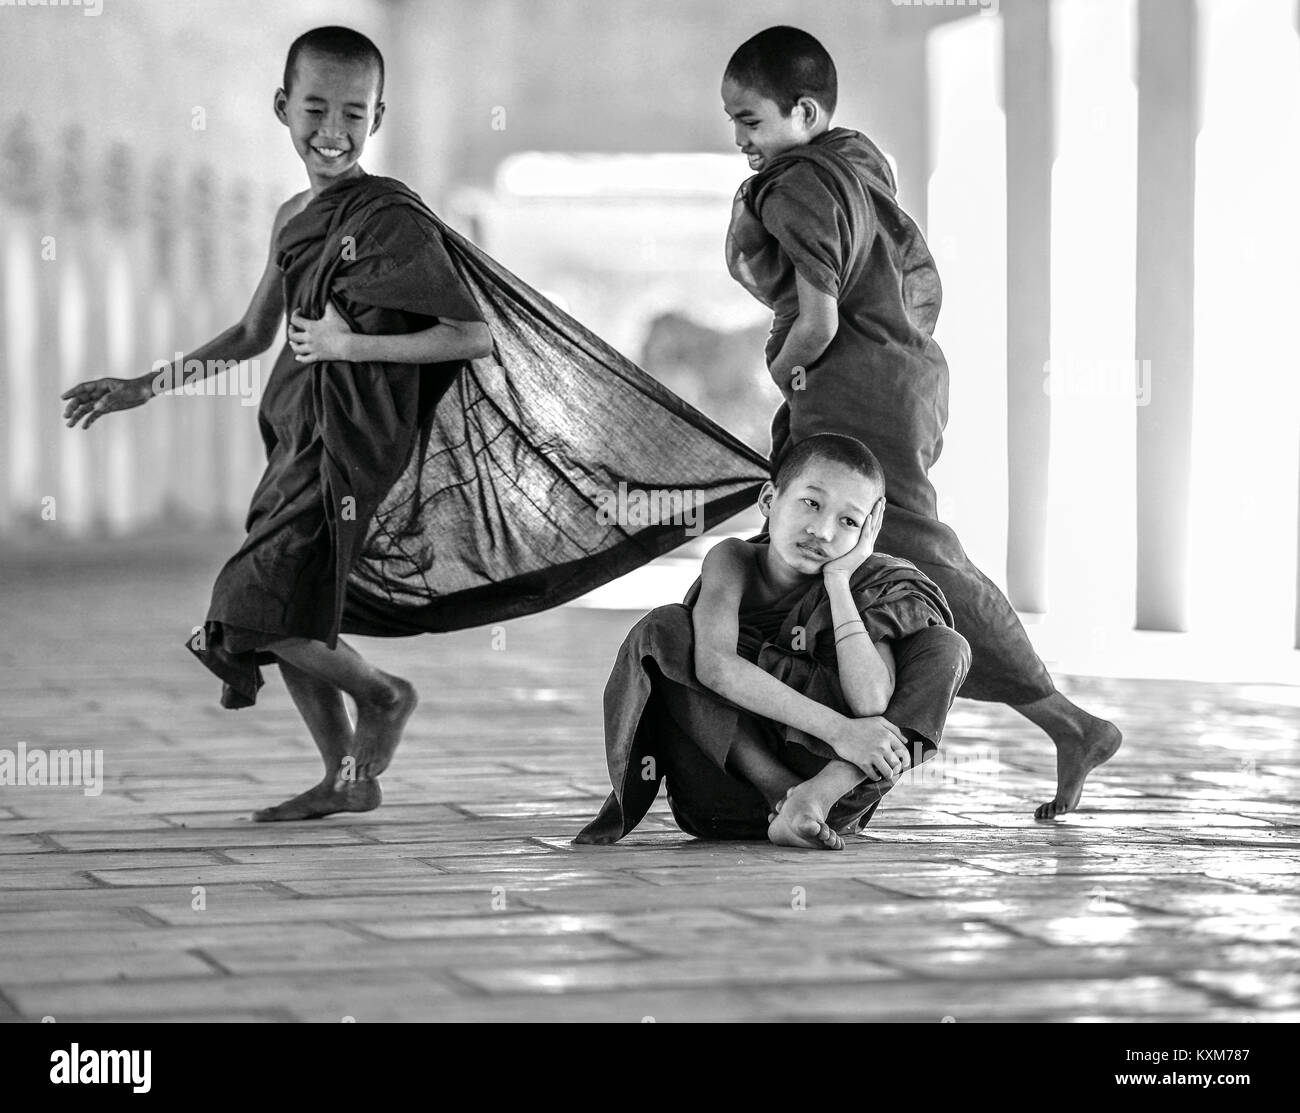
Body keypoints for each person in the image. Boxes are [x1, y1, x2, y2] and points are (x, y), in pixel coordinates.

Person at [61, 26, 770, 822]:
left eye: (353, 114)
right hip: (296, 436)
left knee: (250, 600)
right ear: (282, 107)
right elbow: (253, 334)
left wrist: (344, 343)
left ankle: (385, 696)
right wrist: (147, 385)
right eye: (316, 109)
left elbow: (469, 334)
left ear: (378, 117)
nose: (332, 131)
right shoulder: (294, 215)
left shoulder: (390, 215)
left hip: (356, 446)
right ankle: (347, 778)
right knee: (292, 606)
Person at [720, 25, 1121, 819]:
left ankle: (1062, 718)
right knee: (861, 551)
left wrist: (780, 370)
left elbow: (822, 317)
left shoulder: (800, 182)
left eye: (751, 120)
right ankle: (817, 744)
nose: (740, 140)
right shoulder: (856, 161)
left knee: (901, 551)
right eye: (732, 121)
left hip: (855, 389)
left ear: (804, 112)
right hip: (903, 378)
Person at [576, 433, 971, 850]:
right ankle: (781, 794)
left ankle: (812, 797)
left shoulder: (870, 586)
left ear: (868, 533)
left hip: (833, 802)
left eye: (849, 521)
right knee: (665, 629)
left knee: (946, 647)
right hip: (721, 790)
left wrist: (838, 584)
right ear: (769, 500)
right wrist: (839, 731)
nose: (822, 531)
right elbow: (716, 667)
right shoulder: (733, 562)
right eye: (811, 503)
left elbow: (870, 704)